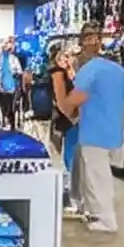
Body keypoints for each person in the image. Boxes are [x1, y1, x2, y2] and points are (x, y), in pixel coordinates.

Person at [59, 24, 124, 233]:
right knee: (89, 172)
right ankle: (85, 207)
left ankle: (105, 220)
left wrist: (64, 105)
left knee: (97, 177)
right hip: (113, 129)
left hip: (94, 131)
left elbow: (77, 97)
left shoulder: (89, 70)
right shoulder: (117, 69)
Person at [48, 45, 81, 217]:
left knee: (72, 156)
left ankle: (71, 195)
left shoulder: (67, 73)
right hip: (68, 122)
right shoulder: (57, 74)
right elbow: (61, 101)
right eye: (65, 56)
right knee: (69, 157)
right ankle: (68, 197)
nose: (68, 59)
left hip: (70, 121)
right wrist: (73, 116)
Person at [0, 36, 23, 130]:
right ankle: (6, 123)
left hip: (11, 87)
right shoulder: (1, 59)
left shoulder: (14, 59)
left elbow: (19, 72)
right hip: (3, 88)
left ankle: (12, 126)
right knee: (4, 107)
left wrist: (16, 76)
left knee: (11, 108)